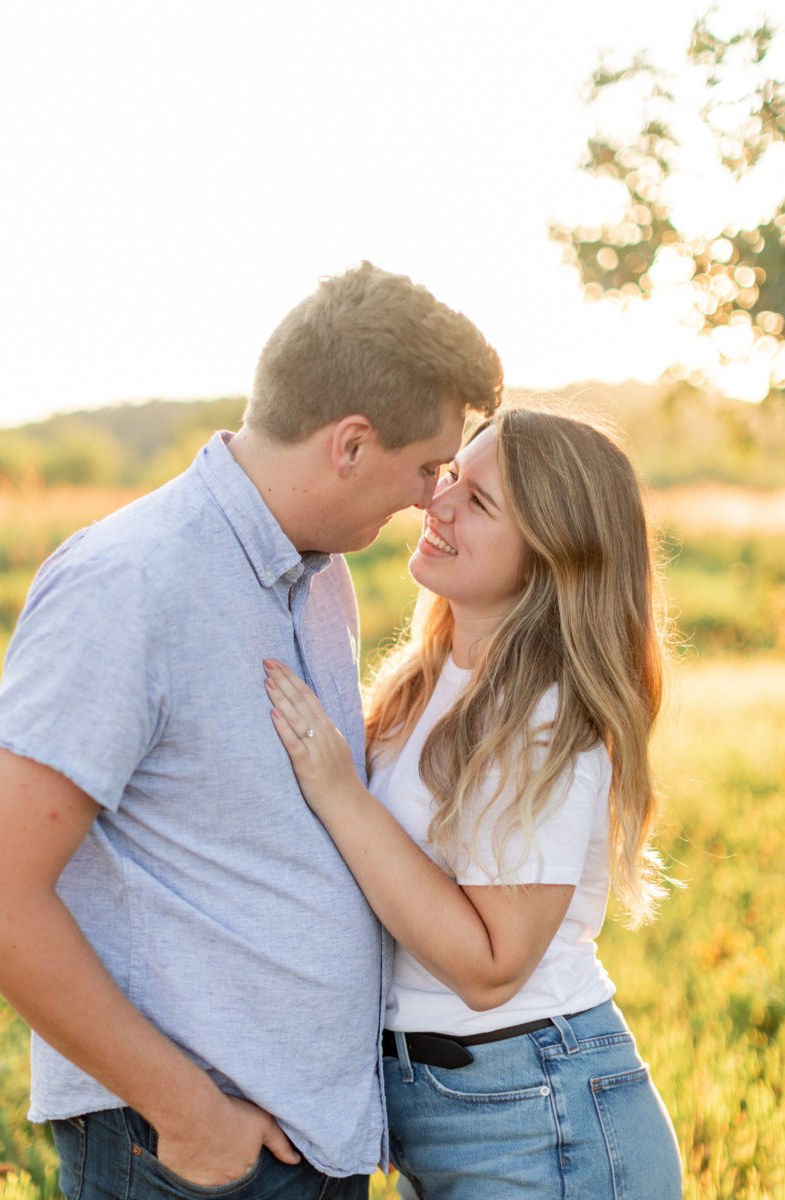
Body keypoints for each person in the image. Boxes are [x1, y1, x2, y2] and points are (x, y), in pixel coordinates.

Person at [0, 262, 503, 1199]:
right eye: (427, 466)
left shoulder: (320, 580)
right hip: (190, 1153)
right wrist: (190, 1116)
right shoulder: (131, 581)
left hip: (309, 1139)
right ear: (350, 444)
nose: (432, 497)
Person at [264, 405, 684, 1199]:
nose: (438, 503)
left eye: (479, 502)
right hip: (453, 1107)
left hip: (538, 1117)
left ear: (551, 557)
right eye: (452, 476)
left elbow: (492, 968)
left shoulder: (546, 714)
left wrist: (338, 792)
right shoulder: (421, 683)